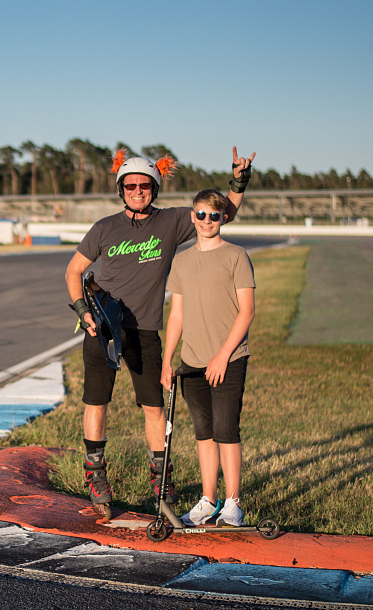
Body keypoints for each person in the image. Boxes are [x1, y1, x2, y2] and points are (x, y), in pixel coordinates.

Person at [64, 147, 254, 519]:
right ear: (121, 189)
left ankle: (160, 477)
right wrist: (82, 310)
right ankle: (96, 473)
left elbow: (220, 213)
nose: (138, 191)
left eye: (145, 186)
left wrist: (238, 182)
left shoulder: (171, 222)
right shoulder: (104, 227)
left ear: (154, 188)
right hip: (103, 327)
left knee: (154, 407)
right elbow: (73, 271)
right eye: (130, 186)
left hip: (145, 329)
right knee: (96, 402)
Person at [161, 188, 256, 528]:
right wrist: (167, 361)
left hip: (228, 359)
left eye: (214, 216)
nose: (207, 221)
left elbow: (247, 312)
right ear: (193, 216)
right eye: (201, 214)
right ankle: (208, 500)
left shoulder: (236, 255)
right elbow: (176, 315)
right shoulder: (182, 260)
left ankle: (232, 504)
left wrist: (222, 356)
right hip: (192, 361)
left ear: (224, 218)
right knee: (203, 432)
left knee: (226, 429)